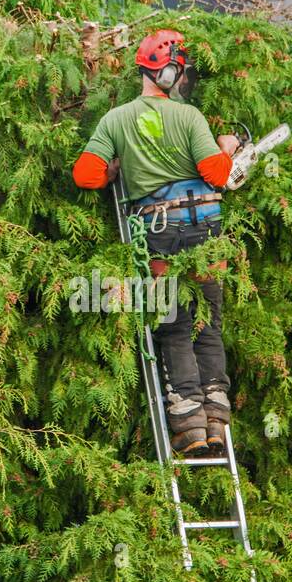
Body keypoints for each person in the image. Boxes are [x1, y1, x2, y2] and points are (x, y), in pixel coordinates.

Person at [72, 29, 241, 456]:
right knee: (208, 322)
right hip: (205, 227)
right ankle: (217, 419)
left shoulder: (115, 120)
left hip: (159, 230)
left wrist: (112, 171)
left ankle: (189, 425)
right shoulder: (190, 117)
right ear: (172, 72)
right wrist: (227, 147)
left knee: (175, 326)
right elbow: (219, 175)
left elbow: (85, 175)